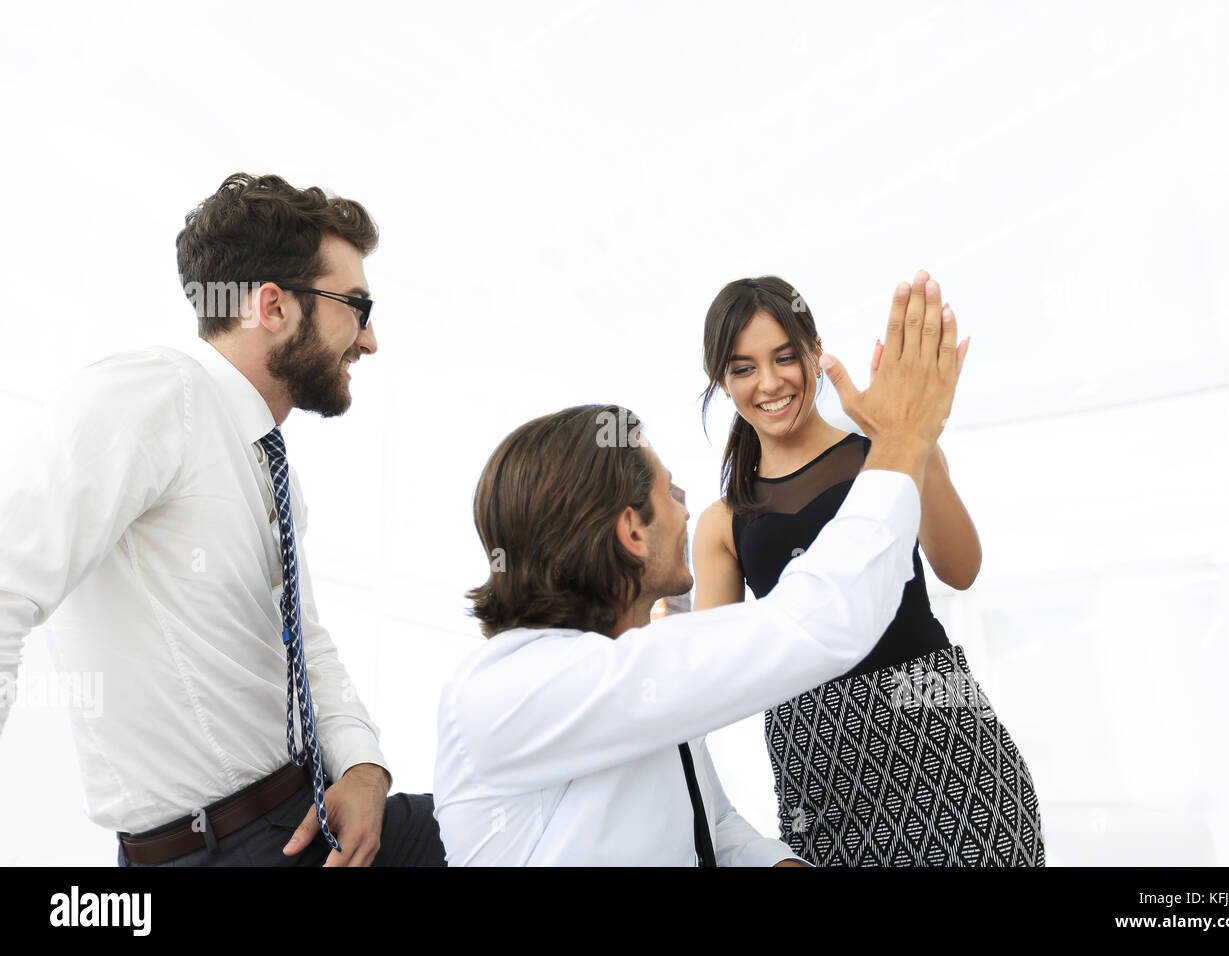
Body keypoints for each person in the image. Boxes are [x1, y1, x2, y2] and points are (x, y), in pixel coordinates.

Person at [432, 275, 966, 865]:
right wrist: (901, 444)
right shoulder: (520, 692)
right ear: (632, 532)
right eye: (670, 491)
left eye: (785, 356)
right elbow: (806, 627)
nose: (687, 509)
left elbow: (717, 831)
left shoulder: (640, 688)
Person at [0, 173, 445, 866]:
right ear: (273, 305)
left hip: (300, 819)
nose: (370, 340)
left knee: (510, 822)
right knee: (512, 825)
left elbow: (304, 641)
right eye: (356, 307)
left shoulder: (269, 466)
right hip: (221, 849)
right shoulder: (152, 395)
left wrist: (361, 765)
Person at [692, 272, 1045, 866]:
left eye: (784, 357)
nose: (770, 382)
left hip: (950, 747)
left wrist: (907, 438)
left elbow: (961, 569)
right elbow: (710, 680)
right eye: (743, 367)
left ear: (813, 351)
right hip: (822, 777)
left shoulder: (889, 452)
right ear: (722, 383)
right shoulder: (723, 522)